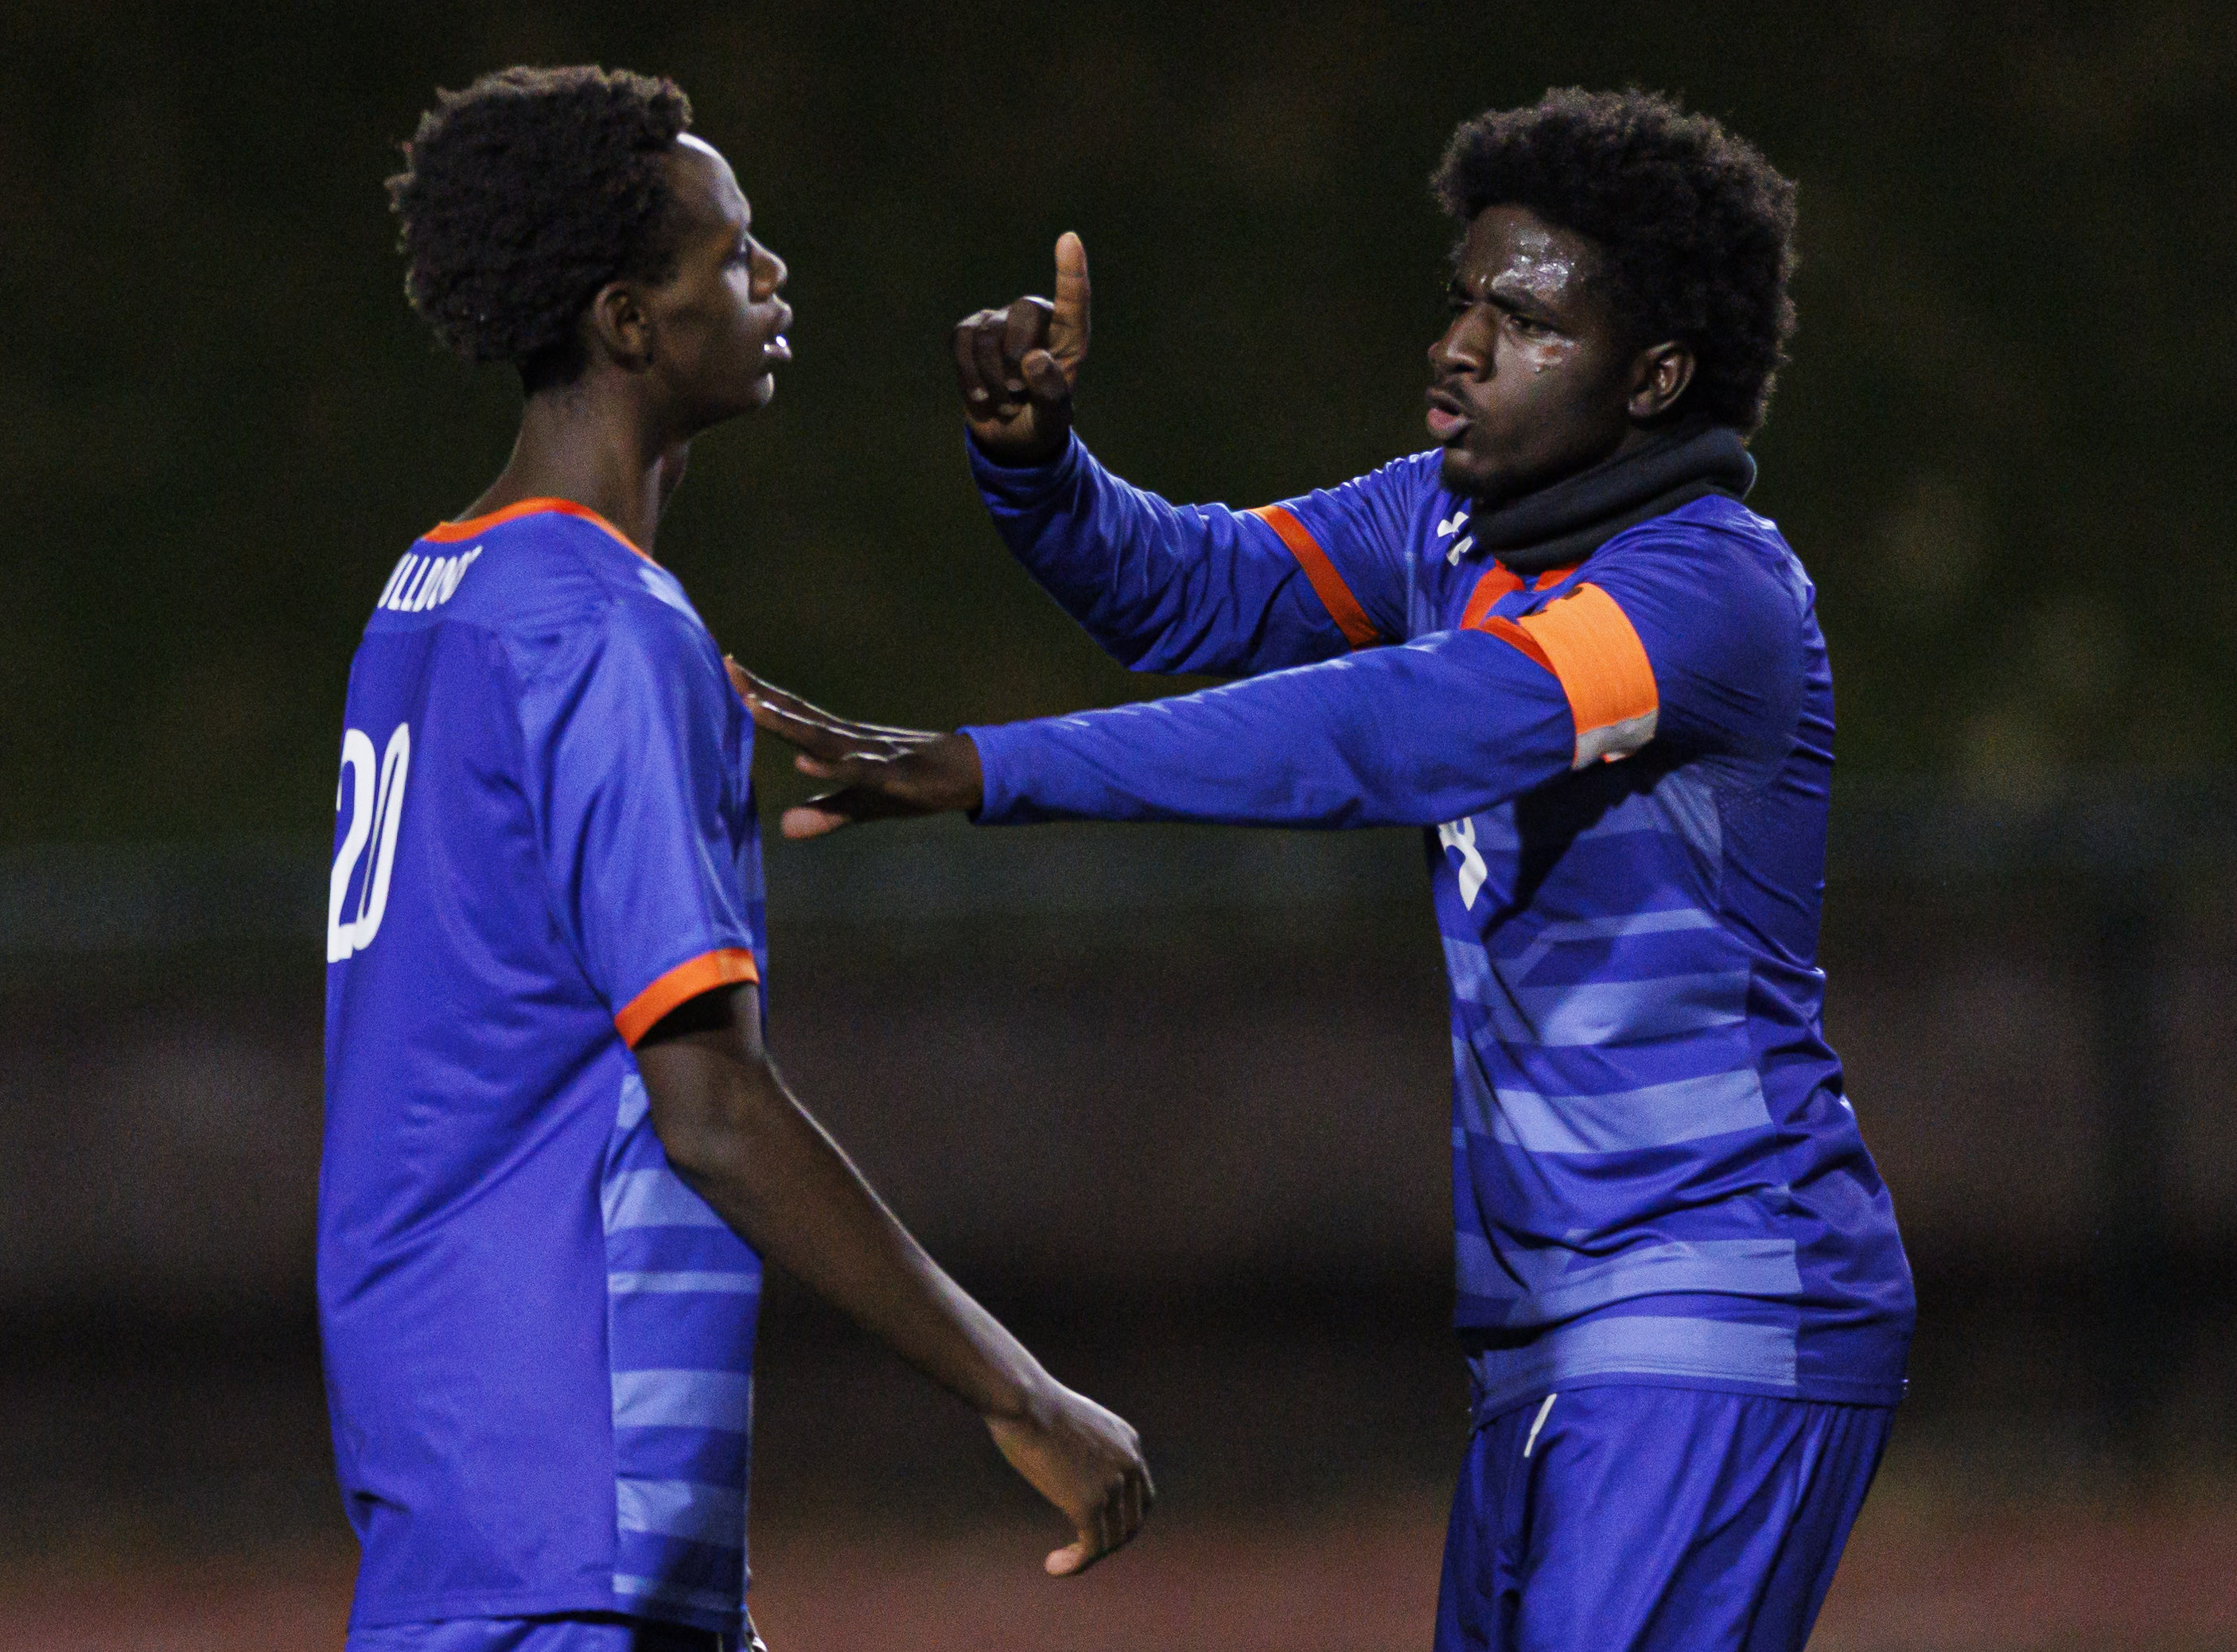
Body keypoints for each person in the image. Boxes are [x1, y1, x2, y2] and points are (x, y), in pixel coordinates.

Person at [739, 88, 1914, 1651]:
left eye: (1523, 321)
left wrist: (992, 764)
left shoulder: (1703, 594)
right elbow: (1195, 590)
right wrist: (1038, 472)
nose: (1458, 344)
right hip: (1549, 1325)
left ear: (1652, 377)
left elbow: (1398, 733)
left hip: (1714, 1300)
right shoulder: (1447, 521)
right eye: (1460, 299)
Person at [321, 65, 1150, 1652]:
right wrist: (1022, 1395)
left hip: (471, 1473)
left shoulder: (431, 593)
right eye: (733, 255)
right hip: (571, 1491)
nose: (772, 283)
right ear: (629, 322)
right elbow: (709, 1105)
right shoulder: (603, 628)